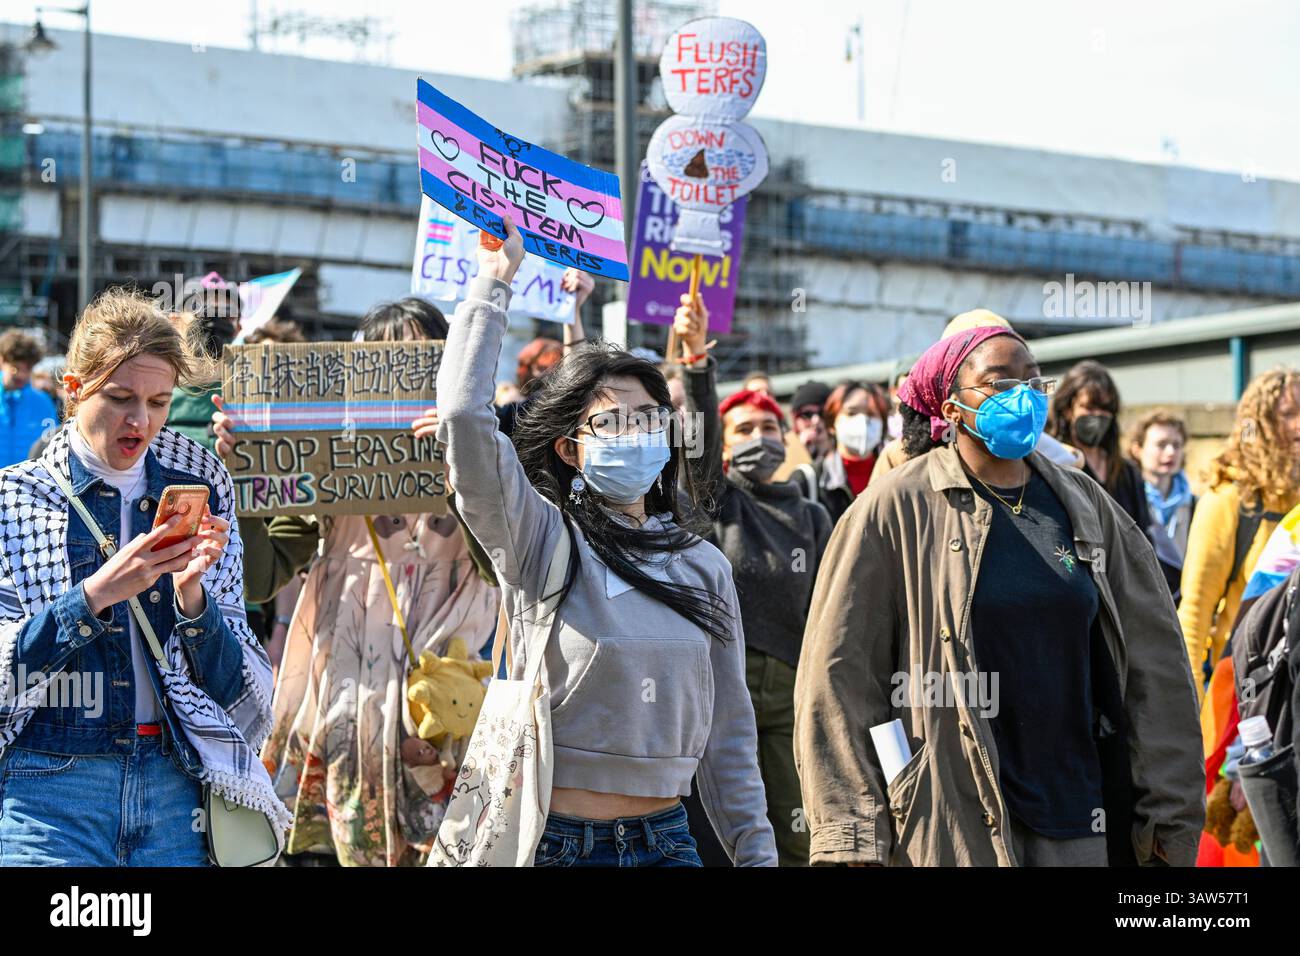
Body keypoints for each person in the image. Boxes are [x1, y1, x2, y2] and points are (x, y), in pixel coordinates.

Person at [794, 325, 1204, 866]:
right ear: (952, 407)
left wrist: (1169, 819)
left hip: (1078, 820)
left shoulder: (1087, 506)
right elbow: (838, 680)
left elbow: (1158, 668)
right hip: (950, 826)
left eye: (1034, 383)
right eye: (997, 383)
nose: (1022, 397)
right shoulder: (892, 511)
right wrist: (851, 836)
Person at [437, 216, 776, 867]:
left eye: (649, 416)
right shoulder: (540, 542)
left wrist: (756, 851)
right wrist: (493, 281)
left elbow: (731, 732)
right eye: (611, 419)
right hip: (557, 843)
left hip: (669, 843)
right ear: (569, 448)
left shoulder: (702, 565)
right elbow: (462, 419)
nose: (636, 430)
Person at [0, 288, 286, 865]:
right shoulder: (17, 499)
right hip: (50, 786)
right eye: (121, 397)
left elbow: (229, 689)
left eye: (159, 401)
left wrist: (193, 600)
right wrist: (96, 595)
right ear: (73, 388)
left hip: (174, 784)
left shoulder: (203, 480)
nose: (141, 420)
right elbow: (10, 674)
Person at [218, 296, 502, 867]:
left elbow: (508, 566)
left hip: (442, 714)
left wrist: (463, 470)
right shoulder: (328, 460)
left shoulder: (490, 457)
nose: (402, 382)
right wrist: (244, 477)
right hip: (342, 712)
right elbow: (259, 579)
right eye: (383, 364)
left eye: (420, 362)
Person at [673, 294, 832, 866]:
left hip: (793, 688)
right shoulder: (715, 501)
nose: (758, 436)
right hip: (724, 685)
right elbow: (697, 442)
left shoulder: (811, 513)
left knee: (795, 825)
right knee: (726, 820)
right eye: (743, 427)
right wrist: (695, 363)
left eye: (769, 425)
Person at [1179, 368, 1300, 700]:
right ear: (1258, 426)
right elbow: (1194, 615)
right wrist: (1194, 713)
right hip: (1245, 698)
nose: (1298, 424)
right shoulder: (1228, 499)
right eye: (1288, 414)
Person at [869, 310, 1084, 490]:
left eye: (1029, 380)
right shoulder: (902, 459)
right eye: (999, 383)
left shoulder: (1061, 465)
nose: (1020, 395)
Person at [1047, 360, 1151, 531]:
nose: (1098, 416)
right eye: (1089, 407)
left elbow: (1143, 534)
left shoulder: (1127, 473)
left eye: (1105, 409)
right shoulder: (1055, 465)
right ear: (1067, 410)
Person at [792, 380, 889, 525]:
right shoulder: (807, 480)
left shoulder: (896, 475)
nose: (862, 421)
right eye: (851, 413)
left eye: (871, 414)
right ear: (832, 423)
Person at [1129, 410, 1197, 596]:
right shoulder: (1125, 500)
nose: (1171, 452)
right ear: (1138, 449)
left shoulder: (1195, 504)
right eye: (1161, 444)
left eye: (1177, 445)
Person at [0, 330, 59, 467]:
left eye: (27, 369)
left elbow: (51, 445)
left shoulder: (43, 402)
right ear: (2, 361)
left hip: (25, 484)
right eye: (15, 368)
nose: (21, 375)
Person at [791, 380, 833, 465]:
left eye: (822, 413)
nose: (816, 420)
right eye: (807, 414)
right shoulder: (783, 453)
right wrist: (800, 451)